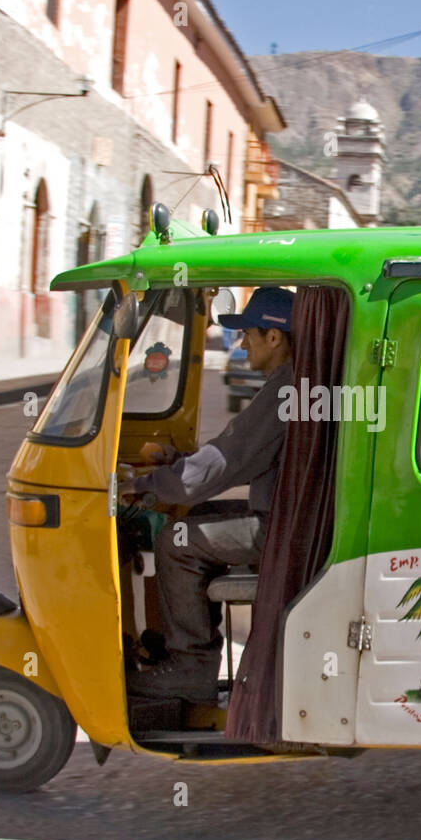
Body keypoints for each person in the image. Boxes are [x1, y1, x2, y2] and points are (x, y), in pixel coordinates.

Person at [120, 287, 295, 706]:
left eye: (247, 334)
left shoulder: (284, 390)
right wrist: (178, 466)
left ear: (273, 338)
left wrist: (148, 484)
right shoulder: (292, 383)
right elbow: (232, 455)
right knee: (194, 516)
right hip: (285, 516)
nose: (240, 343)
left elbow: (226, 462)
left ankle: (190, 668)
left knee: (175, 541)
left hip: (279, 527)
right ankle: (188, 651)